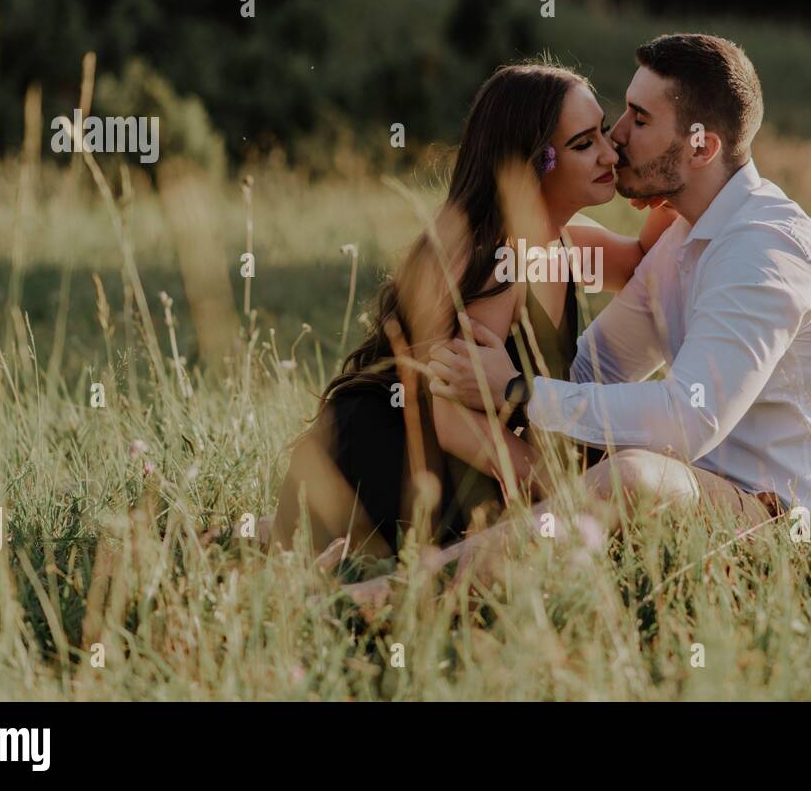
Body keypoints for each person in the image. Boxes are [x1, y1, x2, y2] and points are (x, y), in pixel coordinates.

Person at [349, 33, 811, 603]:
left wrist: (518, 392)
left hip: (790, 518)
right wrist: (478, 391)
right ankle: (393, 546)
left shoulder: (763, 252)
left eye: (639, 120)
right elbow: (594, 368)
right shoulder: (682, 242)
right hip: (706, 485)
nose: (617, 136)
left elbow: (685, 421)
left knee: (633, 476)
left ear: (700, 147)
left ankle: (397, 596)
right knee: (599, 457)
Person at [266, 61, 679, 561]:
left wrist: (670, 185)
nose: (610, 152)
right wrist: (549, 484)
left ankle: (269, 536)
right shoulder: (494, 261)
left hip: (456, 463)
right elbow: (449, 414)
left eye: (602, 133)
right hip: (389, 458)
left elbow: (641, 262)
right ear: (531, 163)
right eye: (583, 143)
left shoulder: (565, 246)